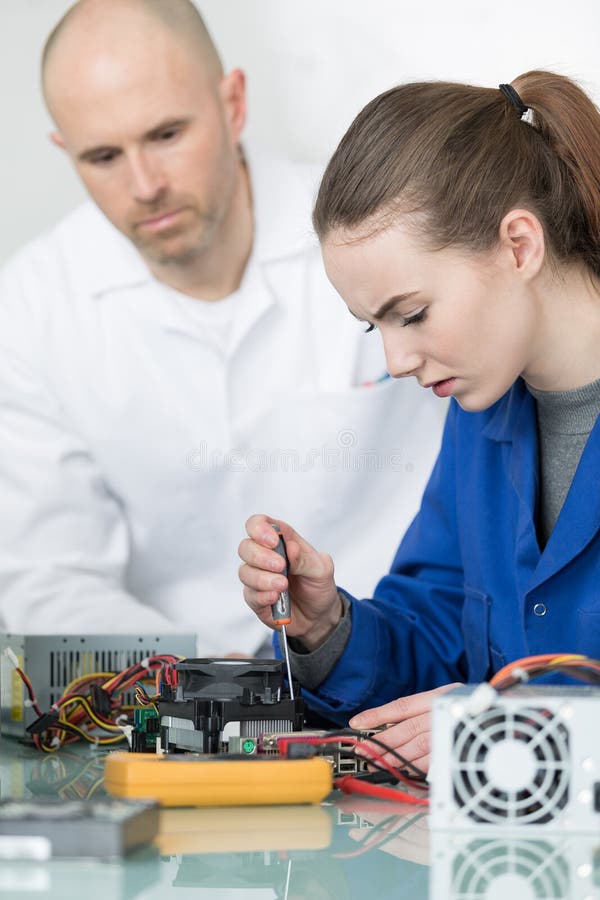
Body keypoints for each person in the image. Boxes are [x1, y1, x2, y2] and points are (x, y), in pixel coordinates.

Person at [0, 0, 444, 655]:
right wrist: (205, 677)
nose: (144, 185)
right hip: (171, 688)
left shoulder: (378, 235)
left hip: (410, 656)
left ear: (233, 103)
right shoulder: (28, 310)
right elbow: (49, 580)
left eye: (166, 134)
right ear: (66, 153)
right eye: (103, 156)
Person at [239, 70, 600, 768]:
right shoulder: (479, 417)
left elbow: (501, 711)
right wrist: (327, 629)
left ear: (519, 245)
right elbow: (442, 644)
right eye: (373, 326)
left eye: (412, 314)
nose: (398, 360)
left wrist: (527, 728)